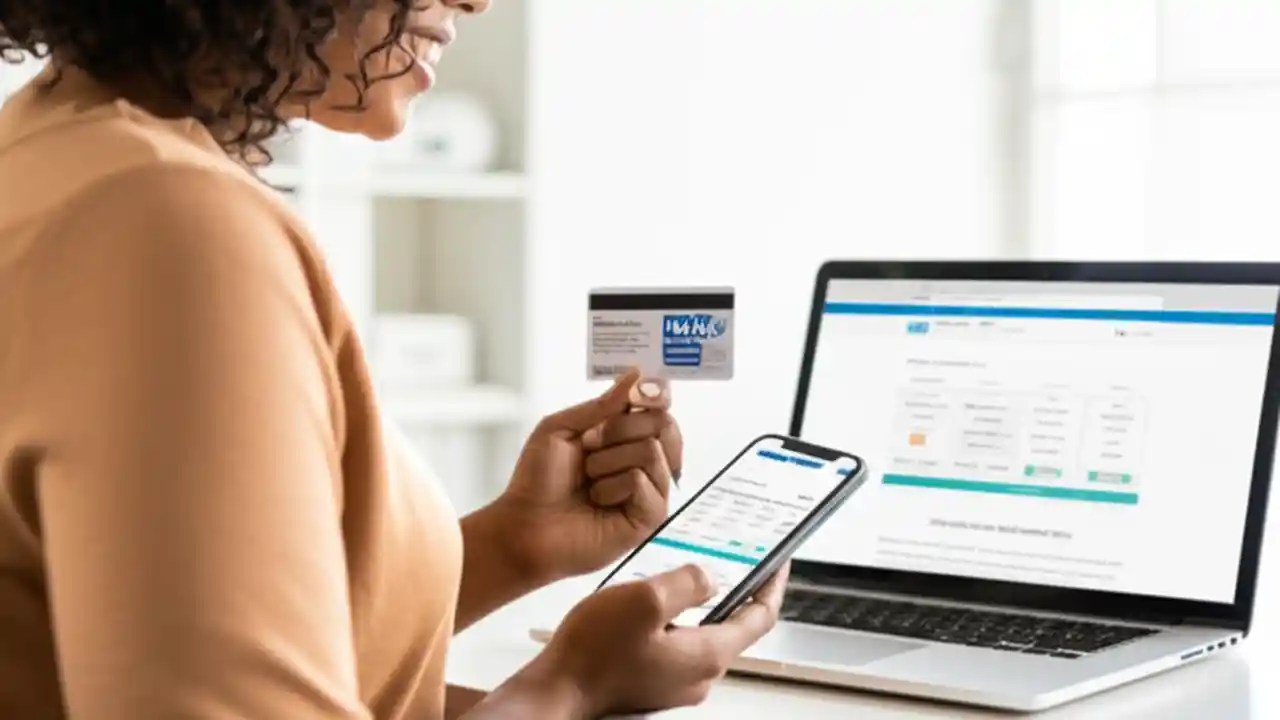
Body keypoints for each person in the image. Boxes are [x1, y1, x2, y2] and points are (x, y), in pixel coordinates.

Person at [0, 1, 785, 718]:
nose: (476, 1)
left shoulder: (57, 147)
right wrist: (570, 687)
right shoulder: (170, 223)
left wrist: (516, 544)